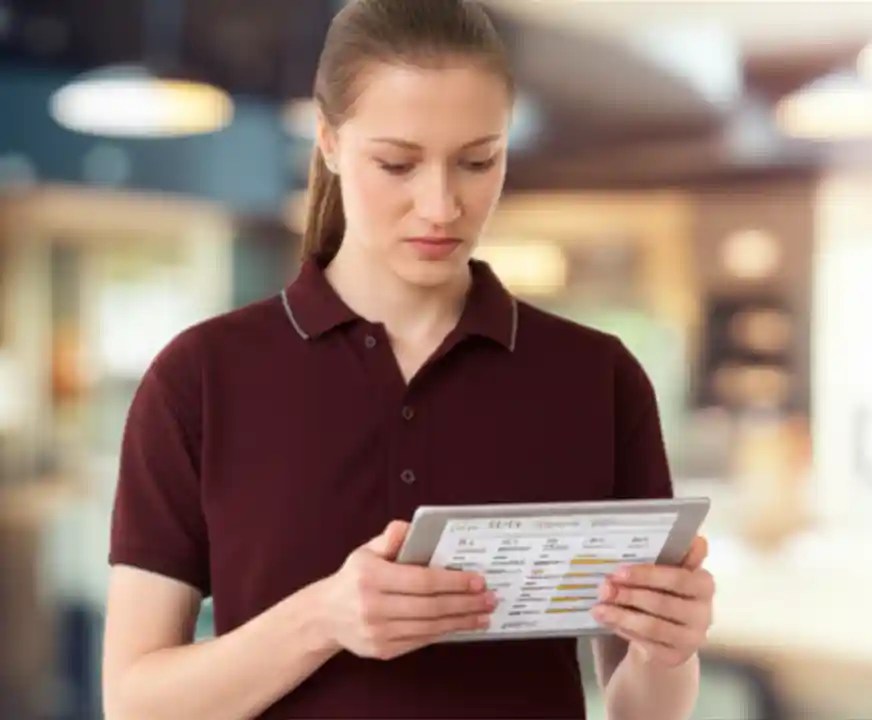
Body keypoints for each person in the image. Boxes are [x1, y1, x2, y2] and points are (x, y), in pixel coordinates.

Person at [101, 1, 715, 717]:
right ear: (328, 141)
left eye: (478, 161)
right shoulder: (200, 378)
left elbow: (638, 707)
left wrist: (667, 651)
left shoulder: (598, 380)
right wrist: (325, 618)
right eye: (397, 163)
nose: (441, 205)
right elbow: (134, 704)